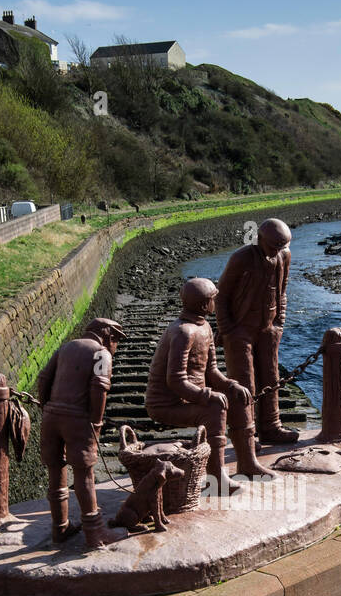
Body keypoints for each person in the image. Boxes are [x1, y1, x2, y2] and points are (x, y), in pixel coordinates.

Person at [146, 277, 274, 496]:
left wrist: (231, 386)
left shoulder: (204, 326)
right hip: (167, 405)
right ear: (205, 304)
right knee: (214, 409)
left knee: (238, 396)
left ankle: (247, 462)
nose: (217, 301)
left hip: (191, 398)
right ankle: (216, 478)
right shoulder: (183, 332)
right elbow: (174, 380)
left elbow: (211, 371)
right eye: (213, 298)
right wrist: (206, 396)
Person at [36, 317, 126, 549]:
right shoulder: (101, 354)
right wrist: (96, 422)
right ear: (107, 335)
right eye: (116, 339)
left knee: (56, 472)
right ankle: (95, 534)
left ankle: (60, 528)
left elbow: (43, 378)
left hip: (51, 417)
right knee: (84, 474)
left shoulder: (66, 347)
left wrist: (47, 407)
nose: (115, 345)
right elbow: (99, 388)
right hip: (77, 420)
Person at [215, 217, 299, 444]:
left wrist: (278, 324)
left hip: (268, 328)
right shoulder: (241, 258)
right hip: (240, 329)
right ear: (259, 238)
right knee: (244, 383)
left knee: (271, 378)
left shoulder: (284, 255)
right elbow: (220, 296)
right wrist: (228, 329)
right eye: (273, 247)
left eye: (282, 247)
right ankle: (247, 435)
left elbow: (282, 291)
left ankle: (271, 427)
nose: (277, 252)